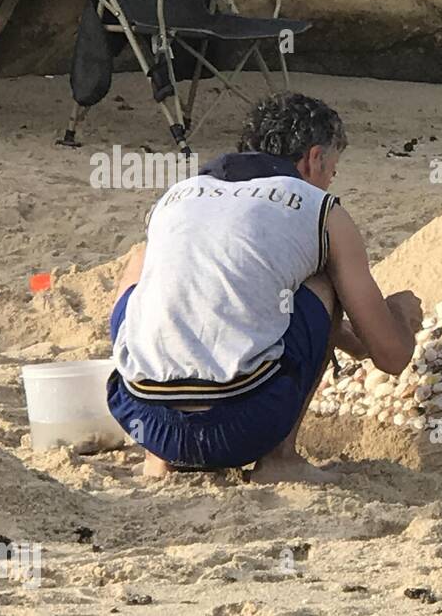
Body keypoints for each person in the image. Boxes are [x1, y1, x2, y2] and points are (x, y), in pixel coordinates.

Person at [107, 92, 423, 483]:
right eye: (332, 170)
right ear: (313, 159)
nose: (328, 181)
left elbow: (223, 298)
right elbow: (391, 357)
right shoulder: (319, 208)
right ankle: (281, 460)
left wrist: (343, 337)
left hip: (145, 418)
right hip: (245, 424)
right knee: (325, 277)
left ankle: (157, 462)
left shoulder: (177, 197)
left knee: (144, 260)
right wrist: (401, 316)